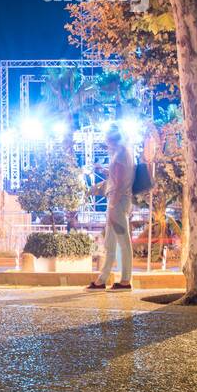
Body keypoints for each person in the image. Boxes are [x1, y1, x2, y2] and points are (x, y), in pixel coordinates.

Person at [88, 124, 135, 291]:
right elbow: (117, 178)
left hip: (118, 201)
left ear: (111, 139)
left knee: (122, 241)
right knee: (111, 242)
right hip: (118, 201)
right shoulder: (123, 153)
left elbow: (120, 182)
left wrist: (113, 205)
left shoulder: (121, 154)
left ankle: (125, 280)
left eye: (106, 139)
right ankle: (102, 279)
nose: (105, 142)